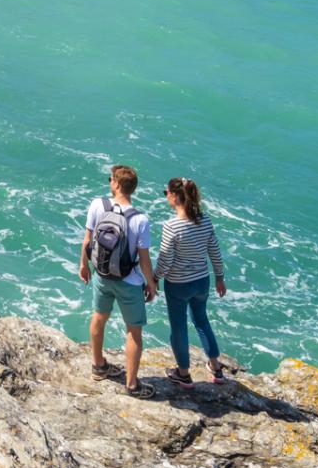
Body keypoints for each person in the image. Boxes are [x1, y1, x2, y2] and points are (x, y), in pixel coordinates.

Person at [79, 164, 158, 398]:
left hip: (102, 275)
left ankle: (98, 366)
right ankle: (132, 384)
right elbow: (144, 259)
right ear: (132, 189)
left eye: (110, 179)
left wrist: (84, 265)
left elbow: (87, 240)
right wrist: (151, 283)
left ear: (115, 184)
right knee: (134, 331)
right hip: (129, 281)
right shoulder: (140, 219)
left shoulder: (98, 205)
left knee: (99, 317)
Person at [154, 178, 227, 388]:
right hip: (202, 281)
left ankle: (183, 374)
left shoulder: (172, 226)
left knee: (179, 327)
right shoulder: (205, 221)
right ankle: (216, 368)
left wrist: (155, 277)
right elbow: (214, 251)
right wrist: (220, 278)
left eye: (166, 192)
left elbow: (165, 259)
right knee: (202, 321)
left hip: (178, 284)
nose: (166, 195)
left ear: (175, 196)